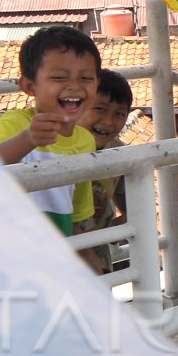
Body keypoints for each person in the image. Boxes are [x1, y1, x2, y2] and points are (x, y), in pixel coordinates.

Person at [0, 26, 103, 273]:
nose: (74, 87)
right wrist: (28, 139)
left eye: (86, 78)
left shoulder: (86, 141)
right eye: (59, 78)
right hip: (7, 257)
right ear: (29, 86)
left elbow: (77, 214)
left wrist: (87, 255)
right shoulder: (16, 124)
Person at [74, 69, 133, 274]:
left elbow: (133, 210)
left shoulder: (119, 153)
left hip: (98, 257)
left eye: (119, 114)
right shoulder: (56, 150)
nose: (108, 121)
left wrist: (117, 228)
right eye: (99, 109)